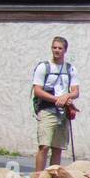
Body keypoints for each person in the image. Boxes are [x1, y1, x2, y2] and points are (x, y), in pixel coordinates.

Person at [31, 36, 80, 171]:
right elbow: (37, 91)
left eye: (60, 48)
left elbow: (76, 91)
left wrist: (67, 96)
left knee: (57, 148)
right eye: (54, 47)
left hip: (63, 112)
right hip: (47, 110)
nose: (56, 50)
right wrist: (57, 99)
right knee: (44, 146)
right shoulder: (43, 67)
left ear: (65, 50)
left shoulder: (70, 69)